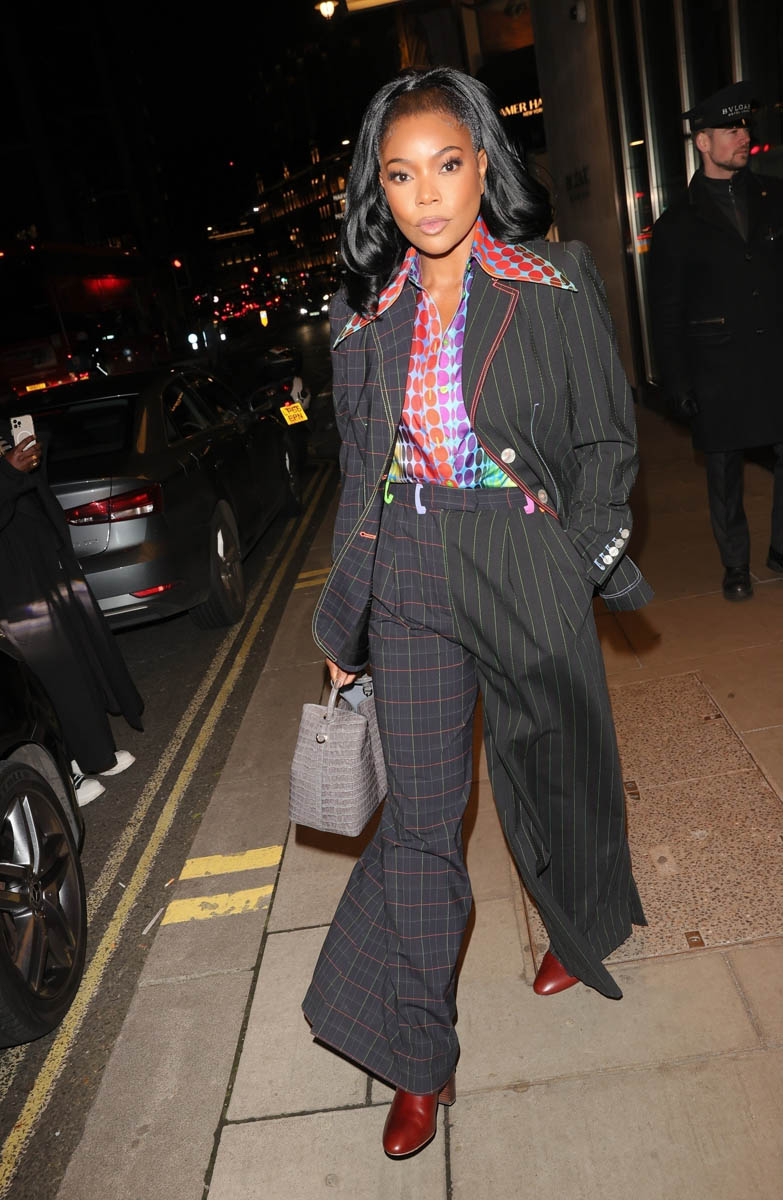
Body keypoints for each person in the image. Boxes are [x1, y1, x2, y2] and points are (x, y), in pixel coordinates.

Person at [301, 66, 652, 1159]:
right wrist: (342, 627)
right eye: (400, 176)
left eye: (447, 165)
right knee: (419, 824)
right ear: (379, 192)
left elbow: (605, 436)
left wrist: (582, 555)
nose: (429, 194)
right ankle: (419, 1056)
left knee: (552, 768)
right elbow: (358, 481)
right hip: (406, 566)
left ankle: (578, 922)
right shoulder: (360, 322)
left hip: (522, 554)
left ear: (483, 164)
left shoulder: (552, 281)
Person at [649, 80, 783, 602]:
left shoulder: (775, 197)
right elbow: (666, 312)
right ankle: (736, 565)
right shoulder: (677, 224)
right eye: (730, 129)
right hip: (718, 365)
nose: (742, 136)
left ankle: (780, 548)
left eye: (744, 126)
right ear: (702, 142)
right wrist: (677, 381)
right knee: (724, 469)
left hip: (774, 354)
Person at [0, 422, 143, 805]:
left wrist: (26, 460)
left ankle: (94, 755)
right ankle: (66, 777)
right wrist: (10, 473)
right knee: (44, 684)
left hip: (43, 570)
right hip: (11, 591)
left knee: (77, 666)